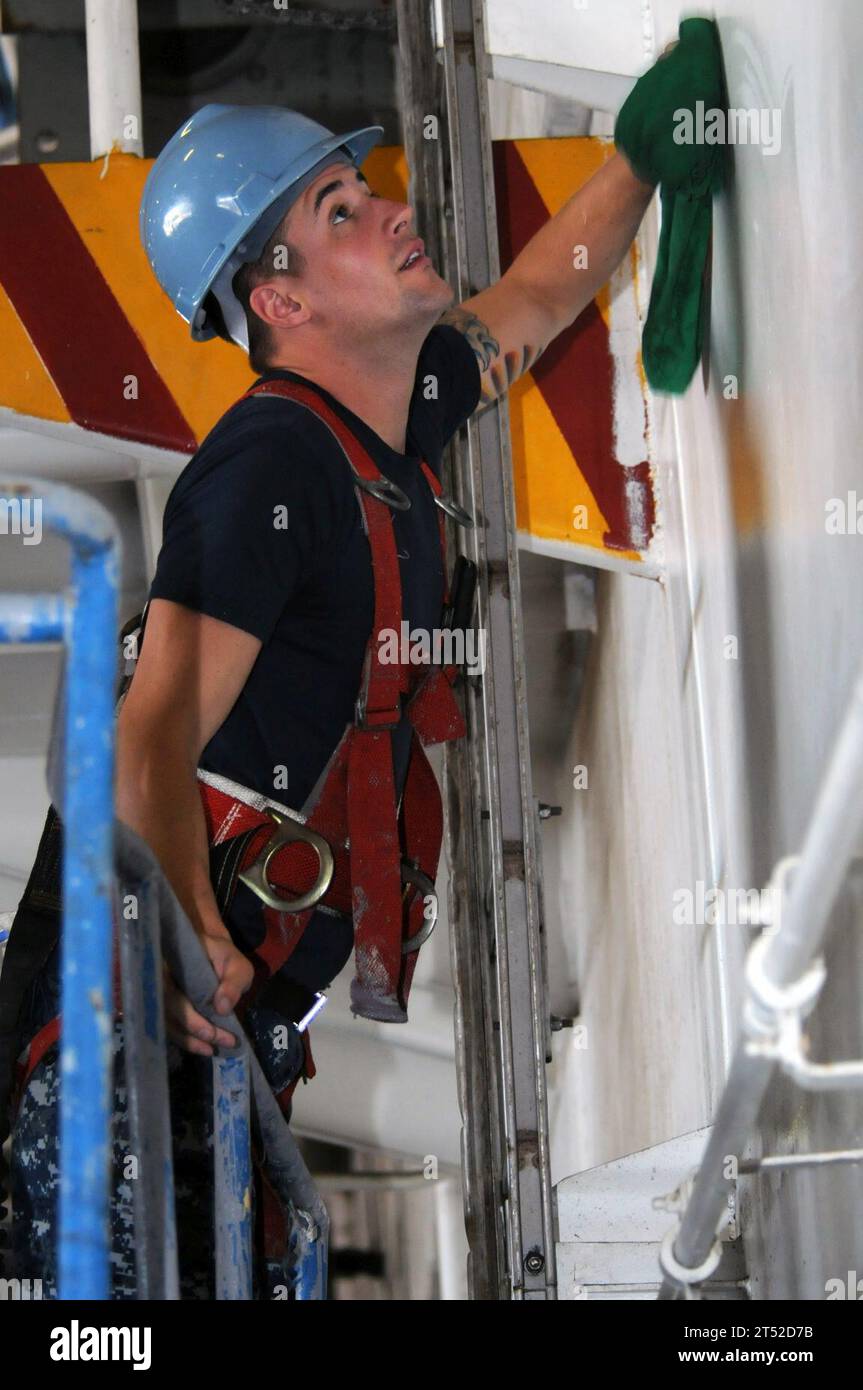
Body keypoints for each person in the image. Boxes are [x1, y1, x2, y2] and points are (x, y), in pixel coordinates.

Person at [3, 102, 655, 1298]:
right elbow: (146, 721)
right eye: (339, 211)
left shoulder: (378, 421)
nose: (392, 210)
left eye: (363, 188)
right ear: (280, 301)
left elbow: (533, 300)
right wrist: (186, 932)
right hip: (118, 1045)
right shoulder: (270, 466)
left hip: (202, 1048)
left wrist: (643, 159)